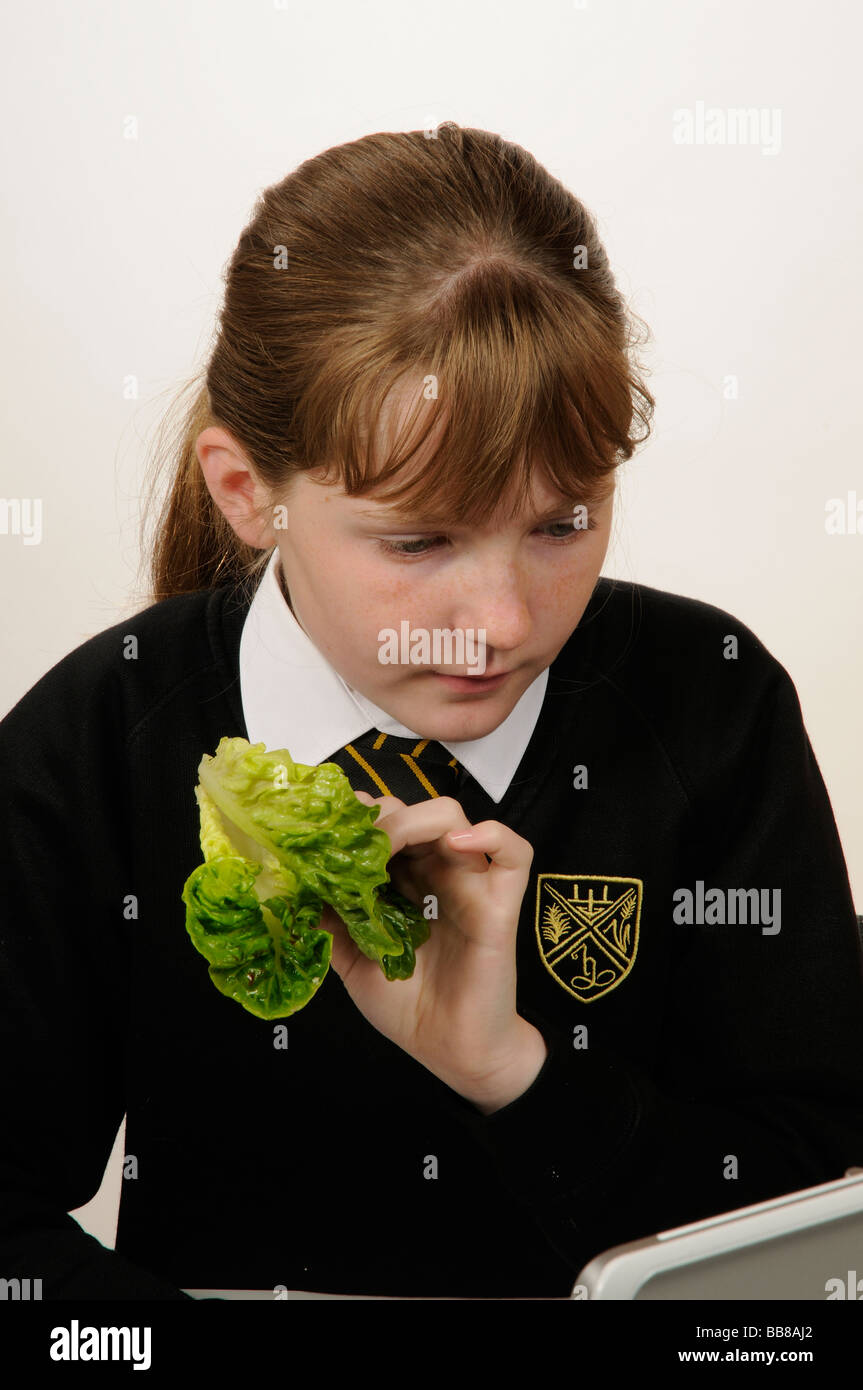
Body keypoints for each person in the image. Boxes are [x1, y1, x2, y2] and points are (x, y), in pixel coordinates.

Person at [2, 123, 862, 1302]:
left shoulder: (709, 701)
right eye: (418, 540)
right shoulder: (97, 742)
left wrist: (514, 1071)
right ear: (249, 493)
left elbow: (810, 1234)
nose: (503, 621)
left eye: (561, 525)